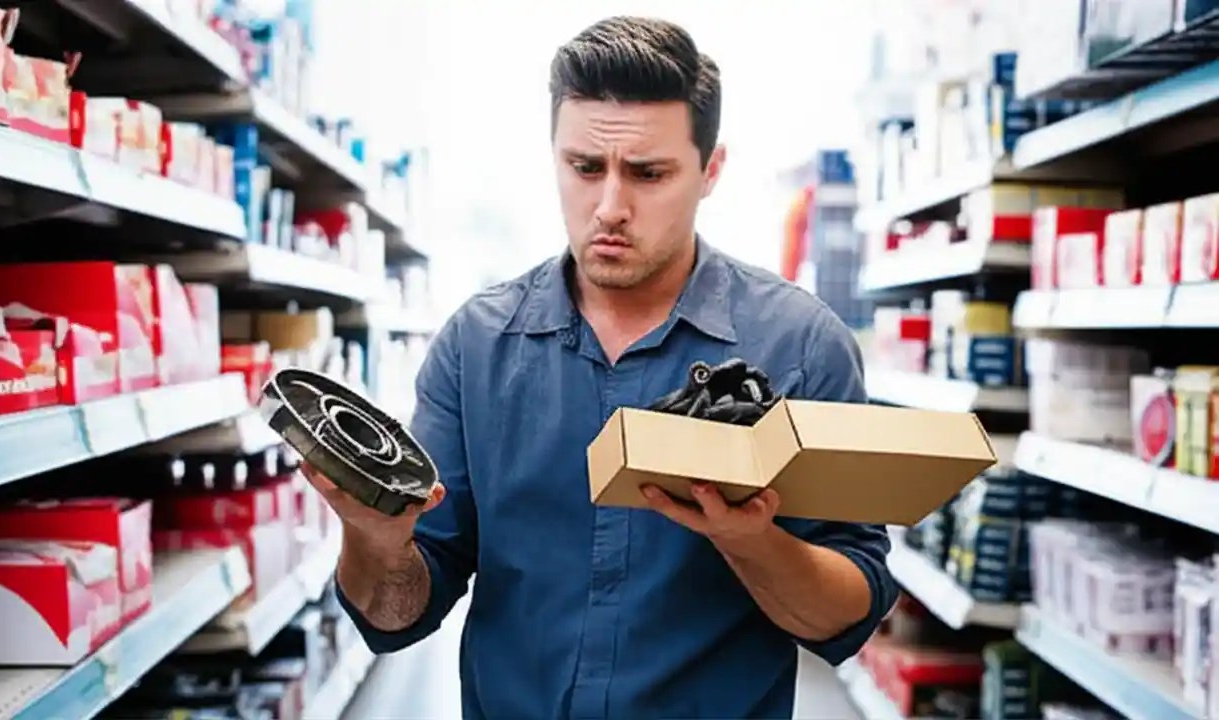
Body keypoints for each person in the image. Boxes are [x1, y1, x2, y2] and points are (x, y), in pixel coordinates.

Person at [311, 15, 899, 719]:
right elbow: (398, 614)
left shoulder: (801, 347)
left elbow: (845, 615)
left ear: (711, 171)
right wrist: (374, 540)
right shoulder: (476, 347)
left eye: (648, 174)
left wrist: (750, 542)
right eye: (585, 168)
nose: (610, 207)